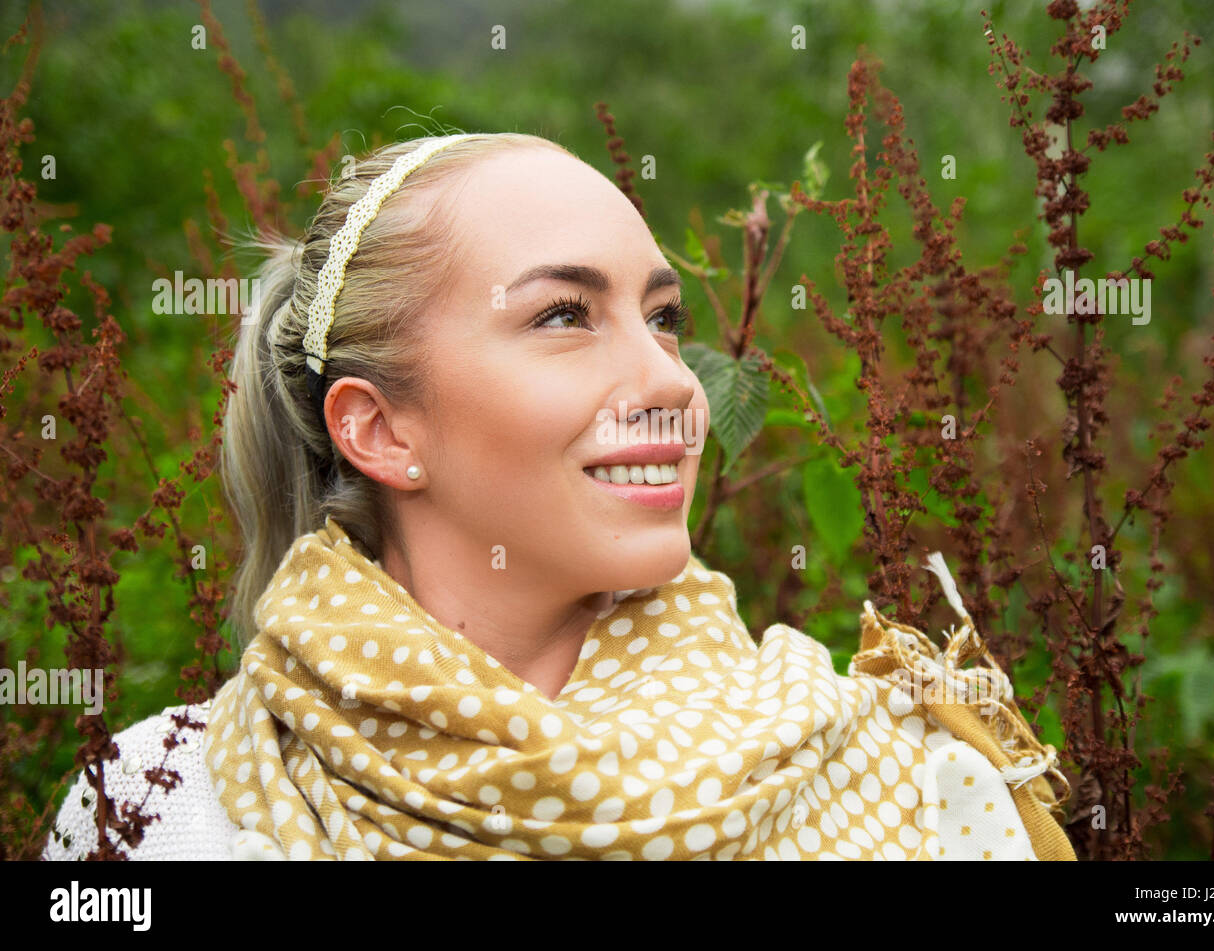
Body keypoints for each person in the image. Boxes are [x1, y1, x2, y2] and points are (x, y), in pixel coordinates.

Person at [44, 131, 1075, 861]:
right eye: (562, 317)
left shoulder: (905, 783)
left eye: (663, 316)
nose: (675, 381)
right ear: (380, 429)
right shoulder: (156, 809)